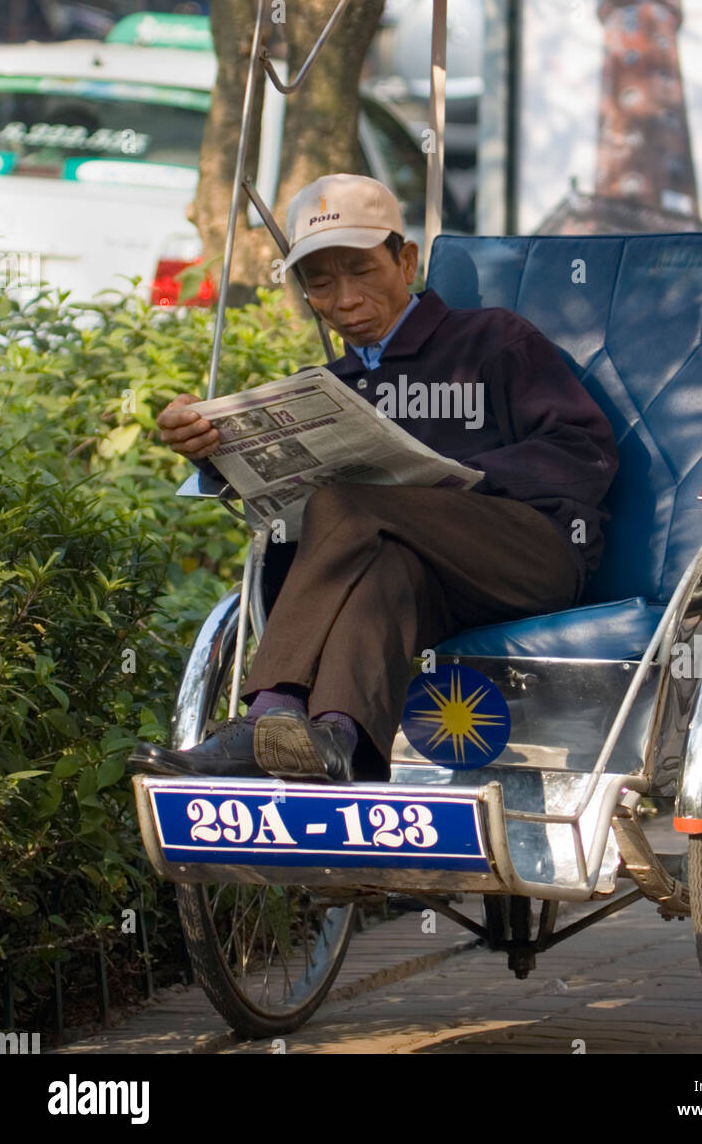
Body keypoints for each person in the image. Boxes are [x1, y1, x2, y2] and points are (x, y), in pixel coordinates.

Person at [129, 174, 618, 785]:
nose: (346, 299)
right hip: (426, 579)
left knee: (352, 505)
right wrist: (208, 449)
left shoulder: (491, 338)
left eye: (362, 272)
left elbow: (585, 452)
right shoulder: (327, 384)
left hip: (532, 551)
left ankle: (270, 711)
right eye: (321, 282)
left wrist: (456, 481)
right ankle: (339, 742)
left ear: (405, 260)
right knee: (382, 566)